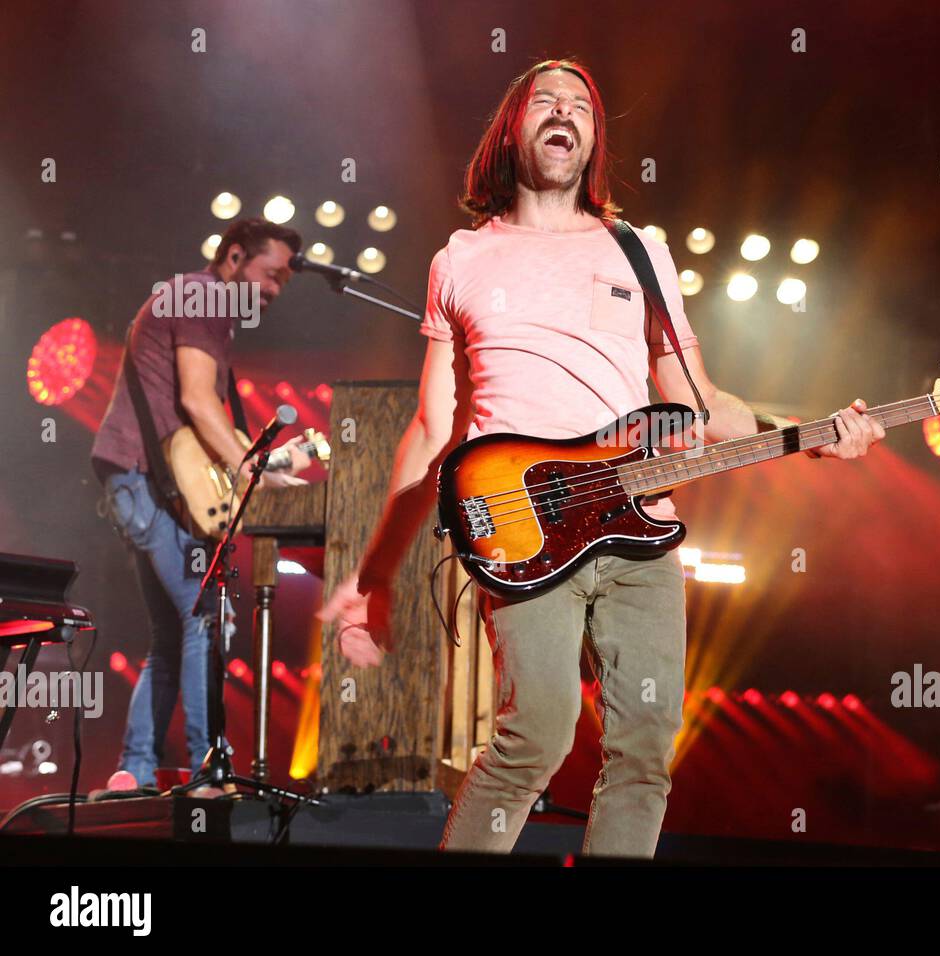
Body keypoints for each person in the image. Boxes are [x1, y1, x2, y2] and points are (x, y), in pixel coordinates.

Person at [318, 59, 885, 857]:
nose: (565, 112)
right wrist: (375, 577)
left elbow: (699, 404)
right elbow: (431, 428)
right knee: (536, 738)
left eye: (580, 105)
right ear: (512, 129)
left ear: (593, 137)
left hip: (641, 527)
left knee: (647, 747)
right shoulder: (462, 260)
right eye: (544, 101)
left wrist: (811, 433)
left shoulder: (639, 250)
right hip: (524, 524)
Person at [93, 218, 310, 790]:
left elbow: (198, 414)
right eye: (272, 274)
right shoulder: (204, 295)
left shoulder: (195, 299)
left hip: (138, 480)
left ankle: (135, 770)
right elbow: (196, 399)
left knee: (173, 633)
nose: (276, 290)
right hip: (147, 480)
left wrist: (266, 468)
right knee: (204, 619)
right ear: (234, 257)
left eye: (286, 280)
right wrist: (252, 473)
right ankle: (208, 770)